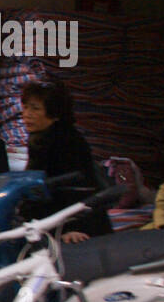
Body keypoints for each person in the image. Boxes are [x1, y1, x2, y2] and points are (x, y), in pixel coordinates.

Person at [20, 81, 111, 242]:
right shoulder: (41, 139)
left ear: (54, 114)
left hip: (78, 228)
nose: (27, 114)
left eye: (35, 108)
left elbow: (77, 188)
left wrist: (72, 227)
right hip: (52, 223)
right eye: (25, 107)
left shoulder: (67, 141)